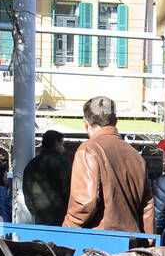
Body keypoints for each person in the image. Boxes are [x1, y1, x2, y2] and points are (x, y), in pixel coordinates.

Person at [62, 95, 153, 233]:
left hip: (98, 245)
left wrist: (65, 232)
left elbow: (84, 203)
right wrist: (148, 245)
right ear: (116, 122)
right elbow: (147, 208)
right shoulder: (136, 156)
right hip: (131, 243)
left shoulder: (88, 150)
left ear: (85, 122)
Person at [23, 130, 71, 226]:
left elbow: (26, 190)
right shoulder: (62, 163)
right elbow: (69, 189)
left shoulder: (31, 164)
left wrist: (33, 210)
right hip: (60, 216)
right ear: (56, 144)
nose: (63, 149)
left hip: (39, 215)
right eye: (62, 145)